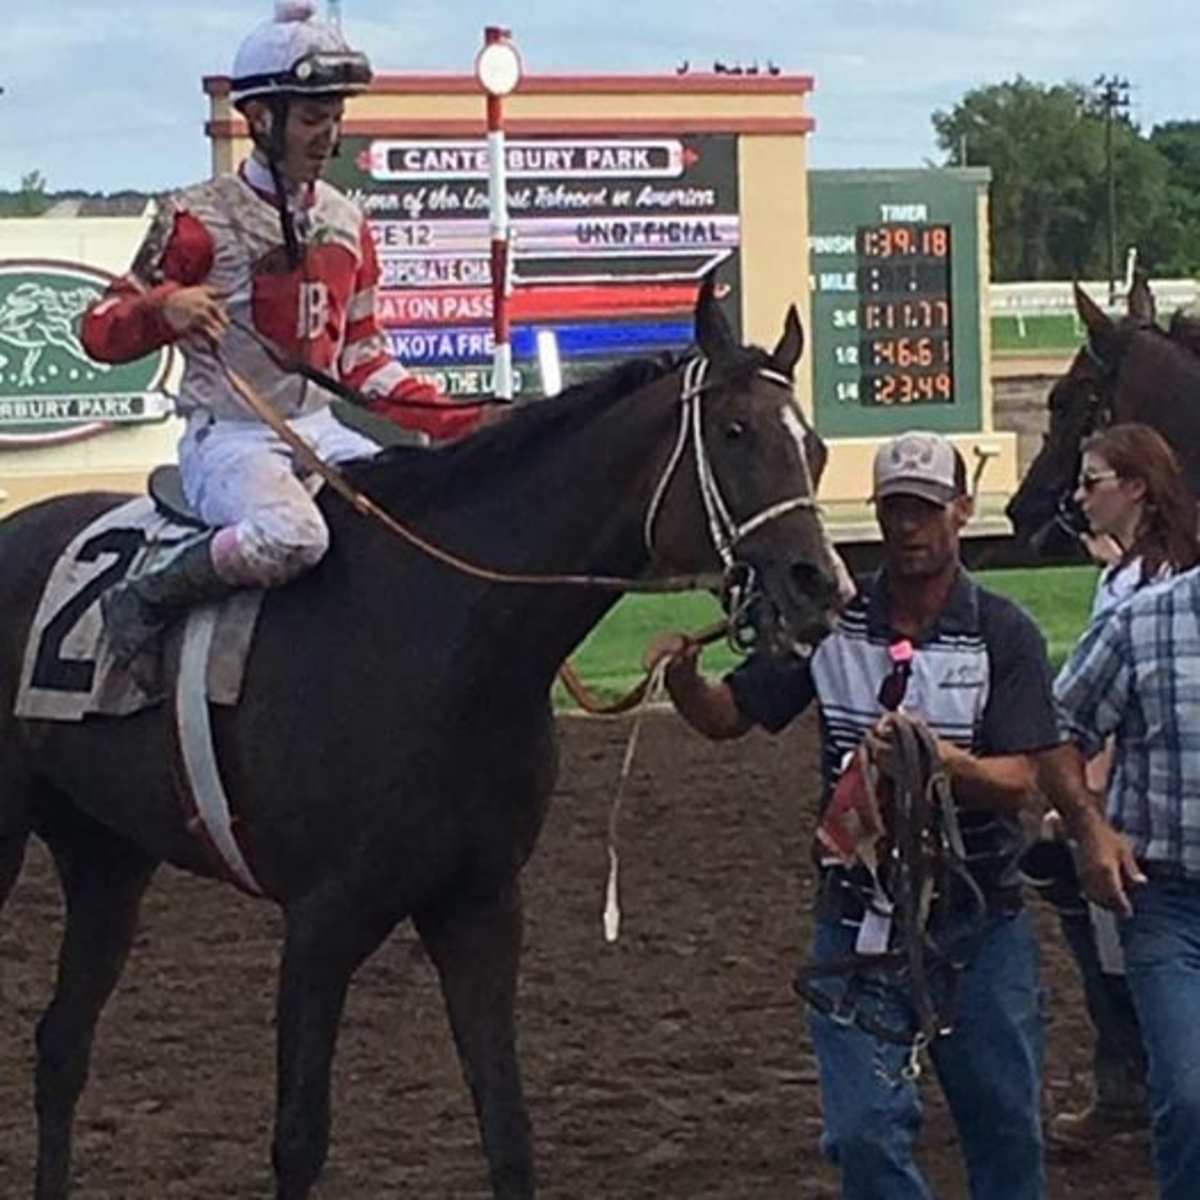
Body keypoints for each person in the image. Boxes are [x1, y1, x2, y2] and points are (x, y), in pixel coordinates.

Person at [647, 430, 1059, 1200]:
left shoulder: (1005, 633)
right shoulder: (827, 622)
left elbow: (1017, 781)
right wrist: (684, 682)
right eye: (895, 509)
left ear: (962, 512)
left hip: (977, 920)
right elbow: (728, 715)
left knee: (1005, 1125)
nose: (908, 527)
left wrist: (942, 764)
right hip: (856, 916)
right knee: (862, 1133)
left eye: (925, 510)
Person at [81, 0, 483, 667]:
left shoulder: (348, 221)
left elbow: (363, 361)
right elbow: (97, 331)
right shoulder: (195, 218)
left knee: (415, 520)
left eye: (336, 117)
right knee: (293, 536)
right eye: (312, 118)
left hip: (319, 430)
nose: (328, 135)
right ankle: (146, 597)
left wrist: (461, 420)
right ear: (261, 118)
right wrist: (163, 306)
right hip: (227, 439)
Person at [1032, 424, 1200, 1150]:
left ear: (1135, 487)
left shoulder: (1144, 587)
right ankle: (1130, 1076)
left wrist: (1081, 806)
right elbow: (1081, 712)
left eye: (1093, 480)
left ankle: (1126, 1075)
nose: (1078, 495)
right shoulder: (1139, 591)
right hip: (1155, 851)